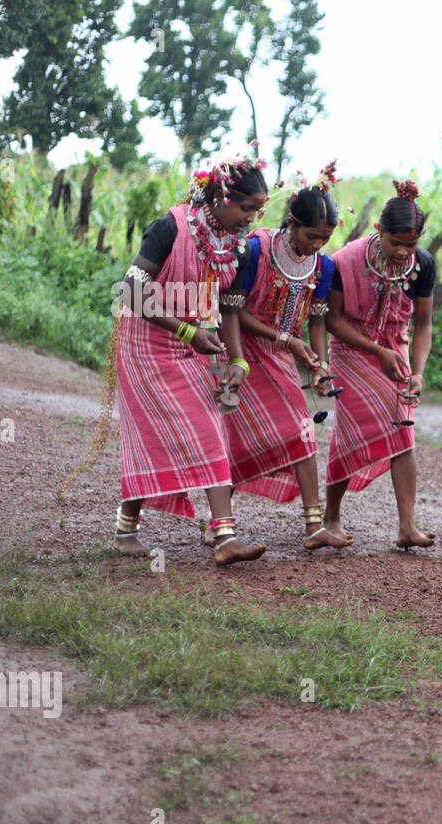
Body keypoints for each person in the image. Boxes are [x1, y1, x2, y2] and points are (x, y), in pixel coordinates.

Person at [107, 152, 270, 565]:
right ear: (219, 196)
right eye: (246, 207)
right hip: (146, 345)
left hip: (193, 343)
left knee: (203, 428)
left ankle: (143, 530)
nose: (251, 218)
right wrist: (186, 331)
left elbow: (229, 309)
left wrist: (239, 361)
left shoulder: (238, 247)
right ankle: (220, 535)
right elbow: (129, 291)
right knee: (181, 430)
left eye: (258, 211)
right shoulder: (170, 228)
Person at [218, 163, 349, 550]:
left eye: (325, 238)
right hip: (239, 351)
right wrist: (287, 340)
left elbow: (318, 321)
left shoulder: (322, 266)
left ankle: (314, 527)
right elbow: (234, 312)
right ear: (291, 222)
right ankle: (220, 526)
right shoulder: (255, 251)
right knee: (232, 440)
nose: (316, 245)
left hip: (279, 358)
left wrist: (320, 366)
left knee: (301, 431)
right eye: (311, 235)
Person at [322, 182, 436, 550]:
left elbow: (423, 324)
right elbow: (332, 320)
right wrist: (375, 350)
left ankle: (407, 527)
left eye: (411, 245)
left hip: (394, 350)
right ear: (379, 231)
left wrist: (417, 372)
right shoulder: (345, 261)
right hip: (353, 350)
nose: (404, 252)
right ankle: (330, 518)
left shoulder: (423, 266)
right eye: (396, 243)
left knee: (403, 428)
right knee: (351, 431)